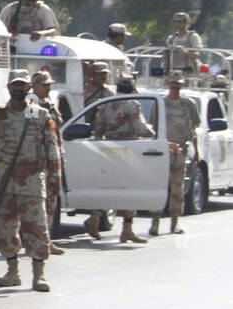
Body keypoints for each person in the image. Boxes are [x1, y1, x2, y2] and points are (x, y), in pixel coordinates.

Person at [0, 70, 58, 292]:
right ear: (9, 88)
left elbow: (52, 148)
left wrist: (55, 177)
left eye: (22, 86)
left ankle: (38, 275)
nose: (19, 89)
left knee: (37, 227)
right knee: (6, 228)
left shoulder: (38, 115)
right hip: (4, 181)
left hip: (32, 179)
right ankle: (13, 272)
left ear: (29, 88)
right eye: (15, 85)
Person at [88, 73, 151, 244]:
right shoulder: (132, 104)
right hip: (127, 149)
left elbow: (98, 128)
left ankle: (94, 217)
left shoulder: (107, 104)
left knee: (108, 186)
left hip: (108, 149)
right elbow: (140, 127)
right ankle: (127, 229)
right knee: (130, 189)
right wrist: (152, 133)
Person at [151, 71, 200, 237]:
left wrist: (196, 150)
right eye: (172, 83)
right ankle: (155, 222)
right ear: (167, 83)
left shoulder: (188, 104)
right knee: (159, 185)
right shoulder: (160, 103)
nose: (175, 86)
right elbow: (152, 128)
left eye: (178, 83)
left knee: (177, 187)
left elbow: (193, 129)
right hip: (162, 150)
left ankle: (174, 221)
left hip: (180, 149)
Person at [29, 69, 66, 254]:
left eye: (49, 85)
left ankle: (47, 239)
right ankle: (37, 240)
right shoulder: (32, 104)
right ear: (34, 86)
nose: (48, 88)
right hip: (41, 159)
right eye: (44, 85)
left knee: (52, 200)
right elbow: (32, 131)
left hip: (54, 156)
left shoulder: (49, 102)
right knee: (40, 203)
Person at [80, 61, 115, 240]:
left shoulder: (109, 94)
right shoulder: (82, 91)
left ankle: (94, 219)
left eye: (105, 74)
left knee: (104, 183)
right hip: (80, 139)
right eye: (100, 74)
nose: (103, 77)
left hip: (101, 142)